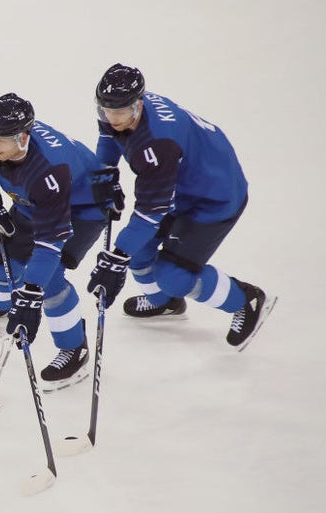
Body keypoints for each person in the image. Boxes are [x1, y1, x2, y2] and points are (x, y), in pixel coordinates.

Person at [86, 63, 275, 349]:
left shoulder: (158, 144)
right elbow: (108, 135)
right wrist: (104, 173)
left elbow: (150, 213)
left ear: (138, 105)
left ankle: (244, 299)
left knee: (173, 276)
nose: (111, 118)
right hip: (183, 182)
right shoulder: (120, 109)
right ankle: (165, 303)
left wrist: (116, 259)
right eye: (105, 110)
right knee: (139, 253)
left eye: (119, 112)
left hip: (213, 197)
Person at [0, 93, 112, 391]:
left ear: (23, 137)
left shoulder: (48, 170)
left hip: (81, 209)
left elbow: (48, 244)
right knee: (1, 261)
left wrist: (30, 296)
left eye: (1, 141)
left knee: (50, 280)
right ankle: (2, 305)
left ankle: (74, 346)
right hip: (32, 203)